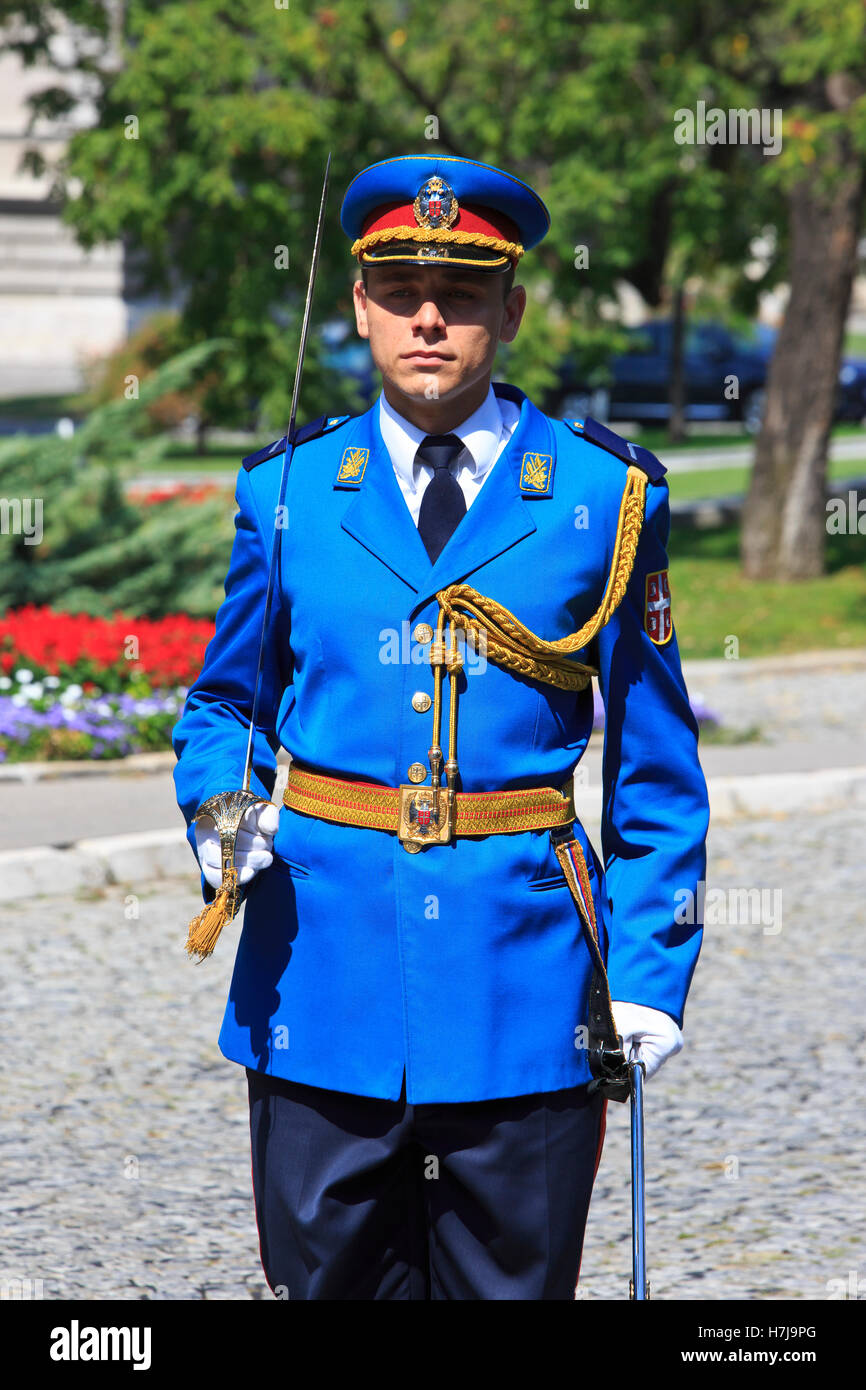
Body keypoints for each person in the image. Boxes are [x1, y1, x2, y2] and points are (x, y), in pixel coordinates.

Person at [172, 153, 709, 1301]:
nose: (429, 318)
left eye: (461, 295)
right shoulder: (288, 492)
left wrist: (650, 973)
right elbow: (226, 703)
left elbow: (656, 772)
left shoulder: (598, 499)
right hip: (318, 981)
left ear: (508, 309)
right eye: (401, 292)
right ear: (359, 306)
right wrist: (221, 807)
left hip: (522, 997)